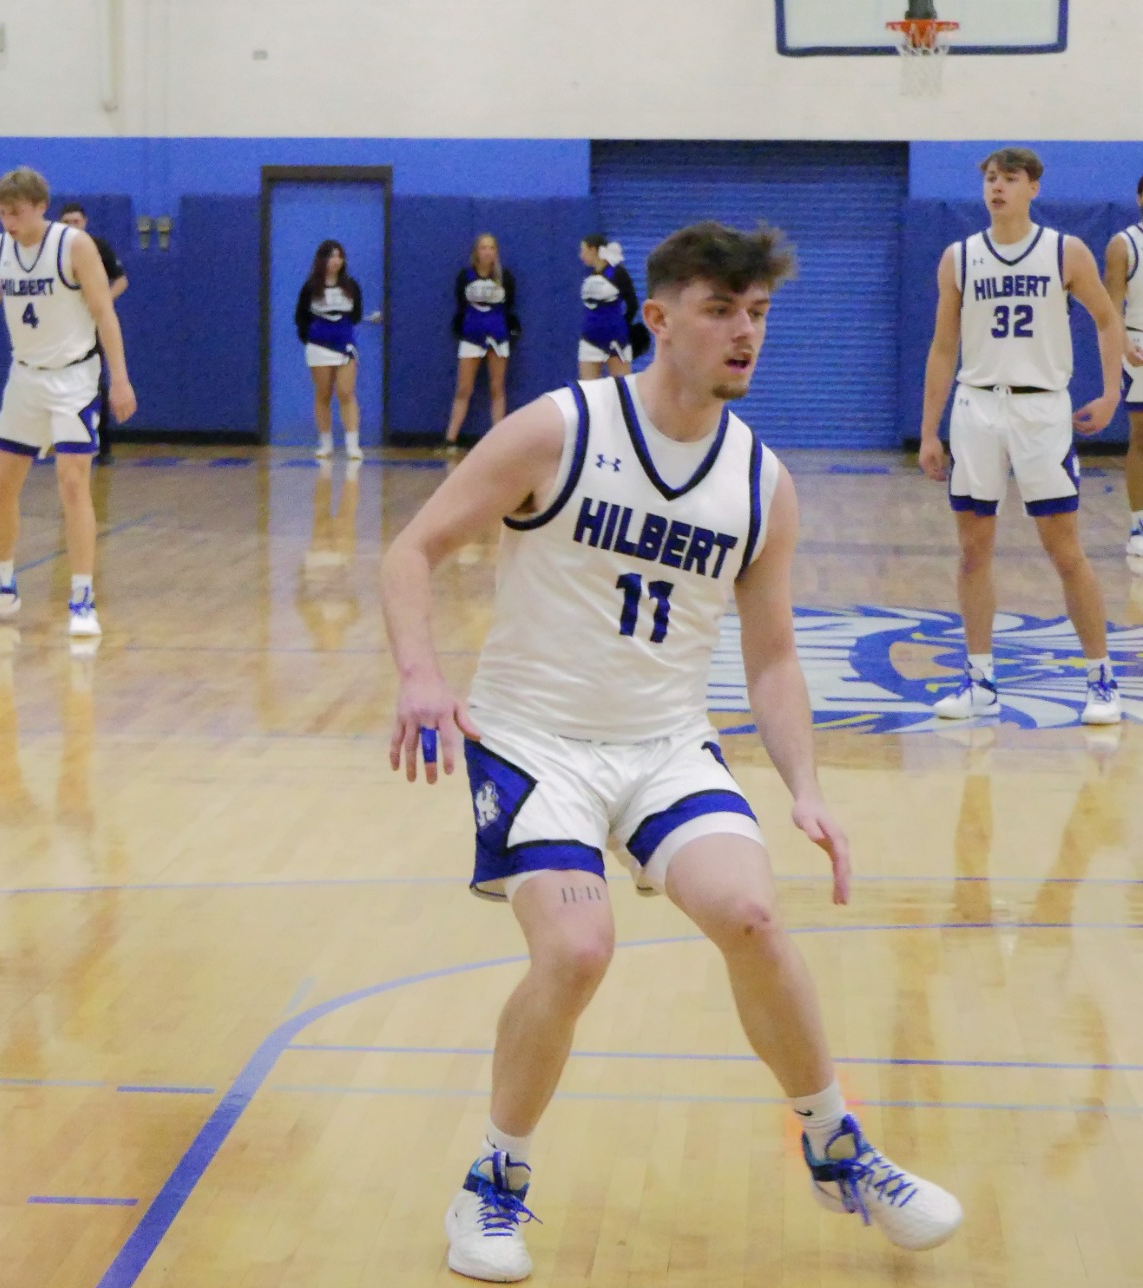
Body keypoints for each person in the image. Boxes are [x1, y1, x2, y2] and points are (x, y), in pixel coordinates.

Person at [380, 221, 961, 1283]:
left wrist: (804, 785)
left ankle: (835, 1143)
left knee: (747, 911)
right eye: (719, 310)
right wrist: (420, 674)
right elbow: (409, 549)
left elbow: (774, 655)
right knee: (576, 949)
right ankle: (492, 1182)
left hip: (662, 743)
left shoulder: (759, 480)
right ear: (655, 317)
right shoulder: (557, 429)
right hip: (533, 741)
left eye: (757, 314)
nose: (745, 333)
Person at [918, 147, 1126, 724]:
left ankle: (1101, 678)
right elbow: (942, 347)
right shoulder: (958, 258)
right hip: (976, 408)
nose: (997, 187)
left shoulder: (1066, 250)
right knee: (972, 551)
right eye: (990, 178)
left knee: (1065, 551)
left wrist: (1111, 392)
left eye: (1010, 178)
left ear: (1033, 187)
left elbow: (1108, 320)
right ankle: (980, 679)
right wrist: (929, 430)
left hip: (1041, 412)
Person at [0, 166, 136, 638]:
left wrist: (121, 380)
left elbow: (103, 313)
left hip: (74, 379)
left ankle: (82, 596)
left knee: (73, 484)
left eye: (15, 212)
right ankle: (1, 586)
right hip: (25, 380)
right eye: (1, 213)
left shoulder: (74, 246)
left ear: (39, 207)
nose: (7, 221)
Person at [296, 239, 382, 461]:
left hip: (345, 346)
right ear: (322, 259)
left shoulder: (351, 286)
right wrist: (311, 339)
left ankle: (353, 444)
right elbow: (301, 317)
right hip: (318, 347)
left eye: (339, 256)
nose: (335, 260)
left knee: (346, 392)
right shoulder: (310, 287)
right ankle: (325, 444)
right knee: (323, 394)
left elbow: (355, 316)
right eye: (331, 256)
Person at [57, 202, 128, 464]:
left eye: (76, 221)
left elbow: (121, 280)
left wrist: (101, 303)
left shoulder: (98, 248)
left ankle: (103, 446)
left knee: (95, 383)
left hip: (88, 326)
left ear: (84, 222)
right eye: (66, 222)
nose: (72, 226)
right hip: (61, 327)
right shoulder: (53, 252)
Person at [445, 233, 519, 452]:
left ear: (496, 252)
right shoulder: (465, 276)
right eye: (483, 248)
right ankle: (450, 439)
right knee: (463, 388)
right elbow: (460, 303)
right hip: (471, 337)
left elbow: (510, 306)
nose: (487, 252)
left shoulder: (505, 277)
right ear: (476, 252)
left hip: (497, 337)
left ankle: (498, 438)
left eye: (491, 248)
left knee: (497, 387)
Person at [1102, 175, 1143, 560]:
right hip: (1139, 344)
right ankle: (1139, 523)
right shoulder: (1124, 244)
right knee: (1142, 436)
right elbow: (1110, 303)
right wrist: (1123, 343)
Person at [578, 234, 637, 380]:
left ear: (593, 250)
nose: (581, 255)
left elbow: (632, 304)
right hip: (590, 339)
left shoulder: (617, 273)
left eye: (583, 250)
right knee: (588, 391)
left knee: (623, 390)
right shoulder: (590, 275)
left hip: (616, 341)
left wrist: (619, 326)